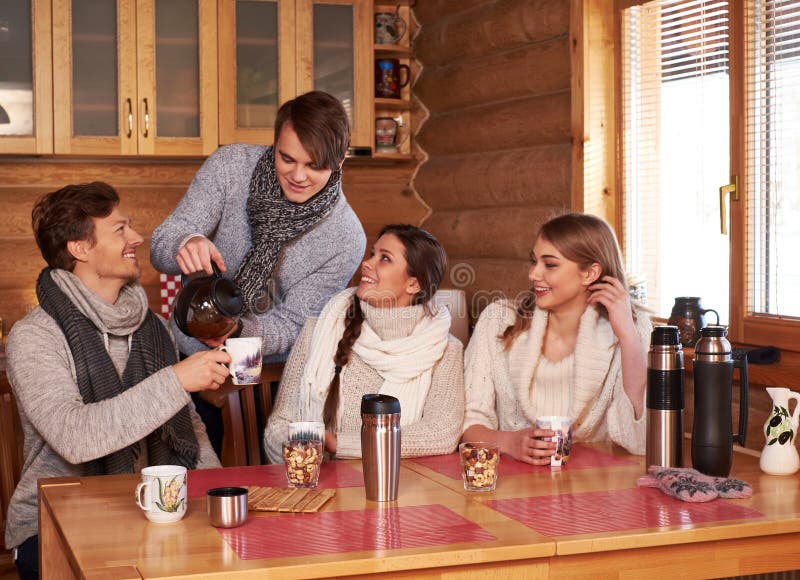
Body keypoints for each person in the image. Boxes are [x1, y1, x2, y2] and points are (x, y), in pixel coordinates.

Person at [4, 182, 228, 580]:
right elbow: (76, 437)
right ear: (80, 248)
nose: (137, 238)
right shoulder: (35, 336)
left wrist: (216, 500)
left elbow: (190, 433)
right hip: (54, 524)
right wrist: (175, 381)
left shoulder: (154, 328)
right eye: (120, 229)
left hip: (150, 513)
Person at [150, 90, 366, 454]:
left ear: (341, 160)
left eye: (315, 166)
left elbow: (297, 325)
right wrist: (185, 242)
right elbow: (161, 243)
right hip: (189, 360)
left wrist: (233, 331)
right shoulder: (231, 166)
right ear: (275, 142)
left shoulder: (346, 237)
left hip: (270, 382)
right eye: (287, 158)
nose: (298, 175)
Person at [462, 213, 652, 463]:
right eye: (534, 261)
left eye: (550, 265)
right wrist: (509, 442)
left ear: (590, 273)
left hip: (596, 486)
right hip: (511, 486)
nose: (533, 274)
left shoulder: (632, 329)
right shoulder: (498, 321)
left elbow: (640, 439)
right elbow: (468, 423)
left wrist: (627, 334)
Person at [264, 225, 464, 462]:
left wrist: (340, 445)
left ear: (413, 284)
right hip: (319, 484)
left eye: (385, 259)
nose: (367, 263)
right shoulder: (320, 330)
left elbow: (441, 433)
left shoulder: (445, 349)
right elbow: (279, 426)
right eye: (372, 254)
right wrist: (305, 458)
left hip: (399, 488)